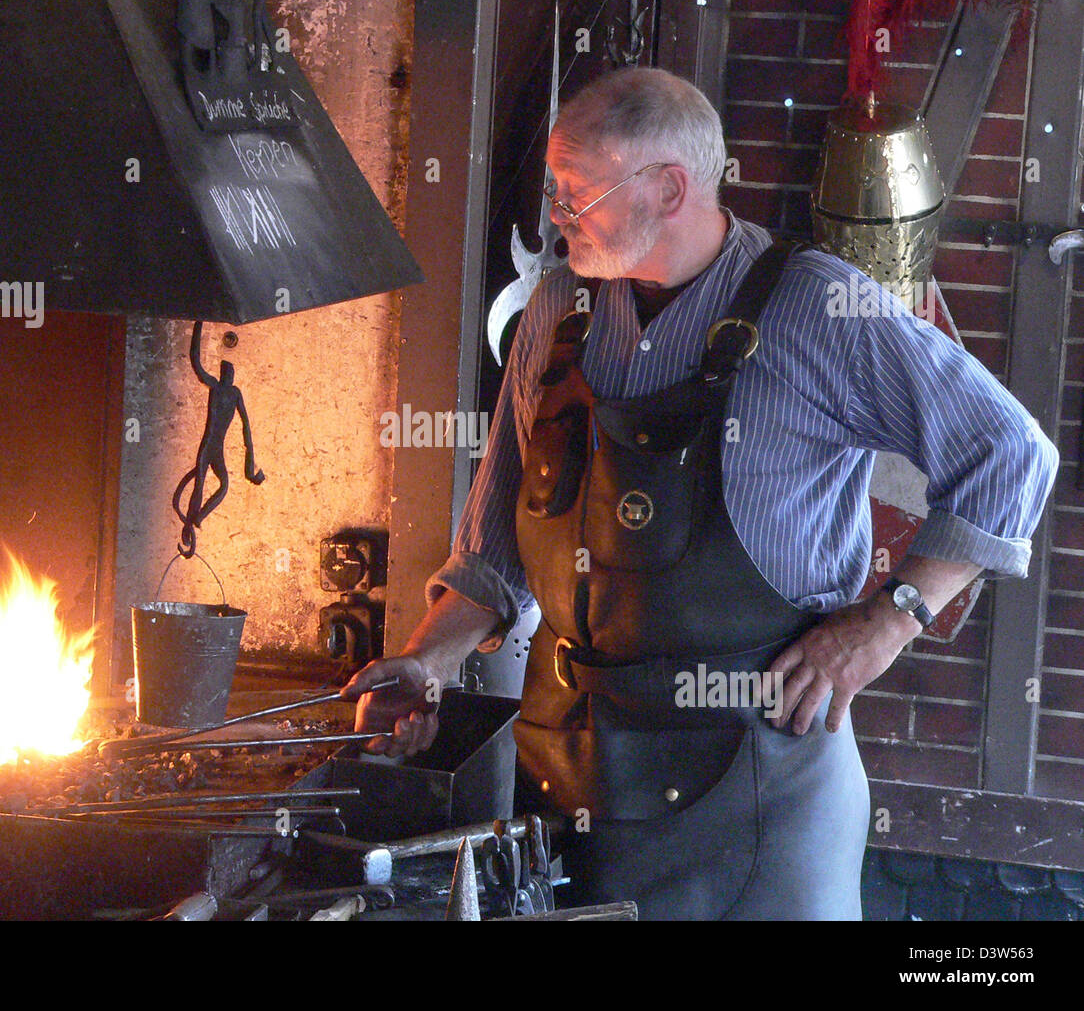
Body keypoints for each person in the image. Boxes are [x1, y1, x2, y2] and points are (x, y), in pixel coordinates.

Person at [342, 67, 1058, 919]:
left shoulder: (818, 305)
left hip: (762, 797)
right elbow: (495, 547)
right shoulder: (560, 305)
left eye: (579, 193)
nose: (558, 217)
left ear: (670, 188)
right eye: (555, 191)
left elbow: (1010, 451)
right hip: (573, 785)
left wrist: (891, 617)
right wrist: (430, 657)